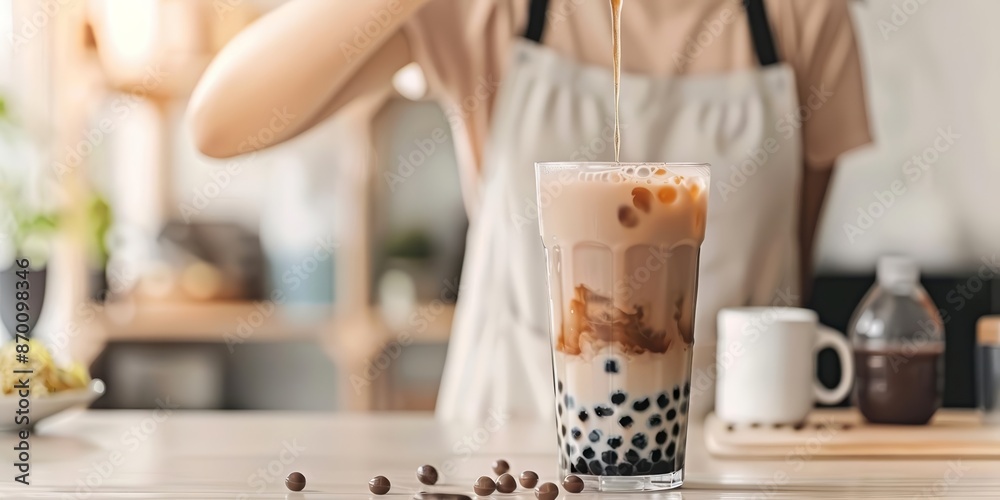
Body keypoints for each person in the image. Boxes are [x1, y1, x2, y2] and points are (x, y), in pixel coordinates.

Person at [188, 0, 872, 421]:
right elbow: (220, 125)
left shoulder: (804, 15)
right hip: (508, 442)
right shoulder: (492, 10)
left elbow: (790, 268)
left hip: (730, 456)